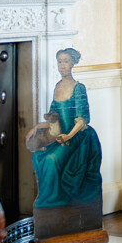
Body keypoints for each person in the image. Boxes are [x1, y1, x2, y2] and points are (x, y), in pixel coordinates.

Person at [28, 48, 102, 208]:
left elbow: (82, 119)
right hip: (59, 134)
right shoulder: (57, 87)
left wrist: (68, 136)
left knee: (51, 159)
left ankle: (54, 201)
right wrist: (37, 127)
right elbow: (53, 117)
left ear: (73, 64)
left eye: (66, 61)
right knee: (37, 157)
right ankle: (47, 203)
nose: (62, 66)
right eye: (60, 62)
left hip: (78, 137)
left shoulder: (78, 88)